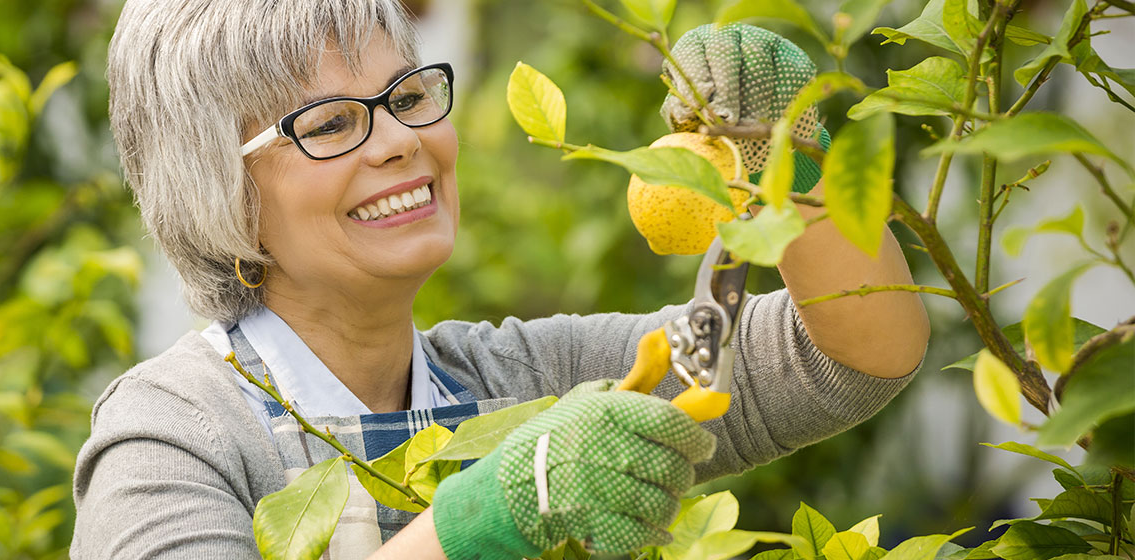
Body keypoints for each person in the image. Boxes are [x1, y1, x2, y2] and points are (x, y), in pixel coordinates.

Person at [70, 1, 930, 558]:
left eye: (407, 97)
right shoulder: (173, 436)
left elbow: (856, 354)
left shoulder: (513, 383)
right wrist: (487, 519)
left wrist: (788, 155)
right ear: (214, 184)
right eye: (331, 123)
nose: (399, 140)